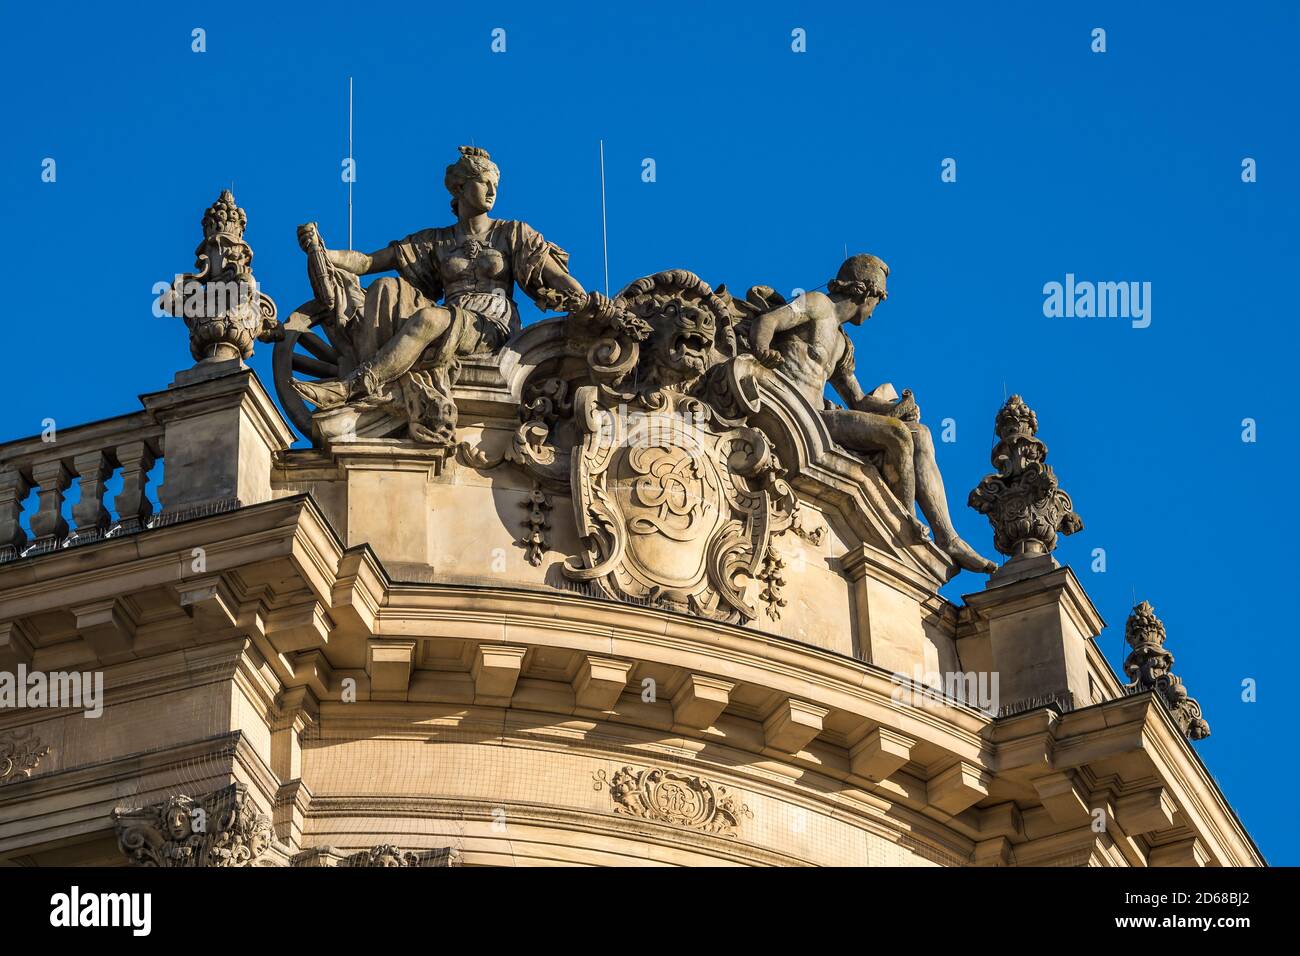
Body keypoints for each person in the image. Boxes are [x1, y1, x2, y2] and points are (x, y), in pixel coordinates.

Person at [746, 254, 995, 573]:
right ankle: (905, 523)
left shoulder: (841, 343)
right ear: (866, 292)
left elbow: (858, 400)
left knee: (921, 434)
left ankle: (948, 537)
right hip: (795, 413)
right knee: (897, 435)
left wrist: (896, 408)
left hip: (821, 420)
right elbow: (767, 322)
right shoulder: (816, 305)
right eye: (877, 301)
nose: (874, 312)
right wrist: (763, 351)